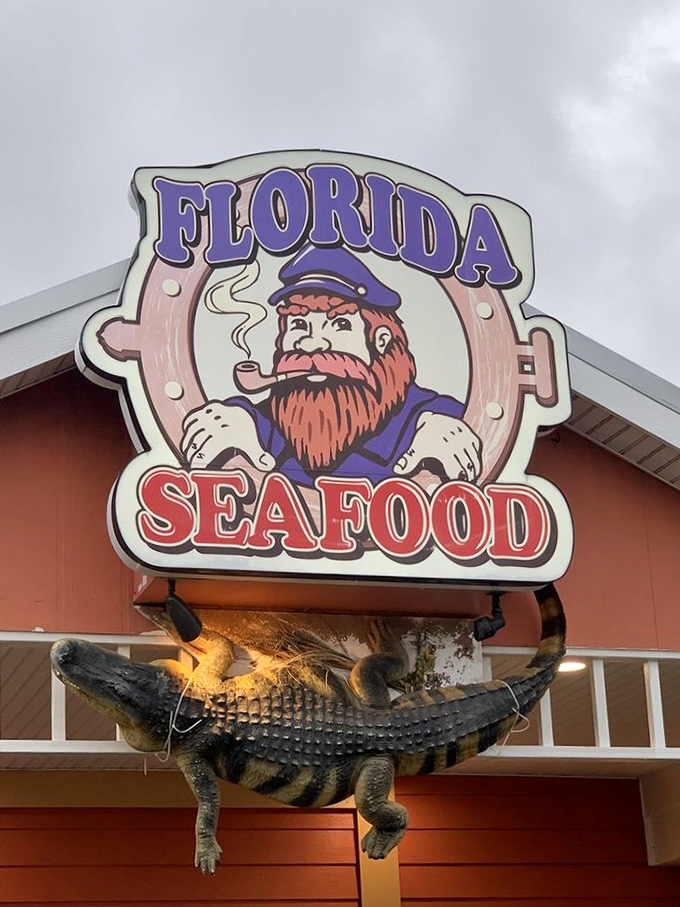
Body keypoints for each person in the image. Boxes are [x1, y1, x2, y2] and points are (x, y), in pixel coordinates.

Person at [181, 245, 482, 488]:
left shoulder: (424, 420)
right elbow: (257, 419)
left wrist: (454, 428)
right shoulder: (267, 424)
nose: (312, 344)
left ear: (380, 339)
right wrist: (233, 418)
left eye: (338, 323)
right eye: (298, 324)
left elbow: (449, 419)